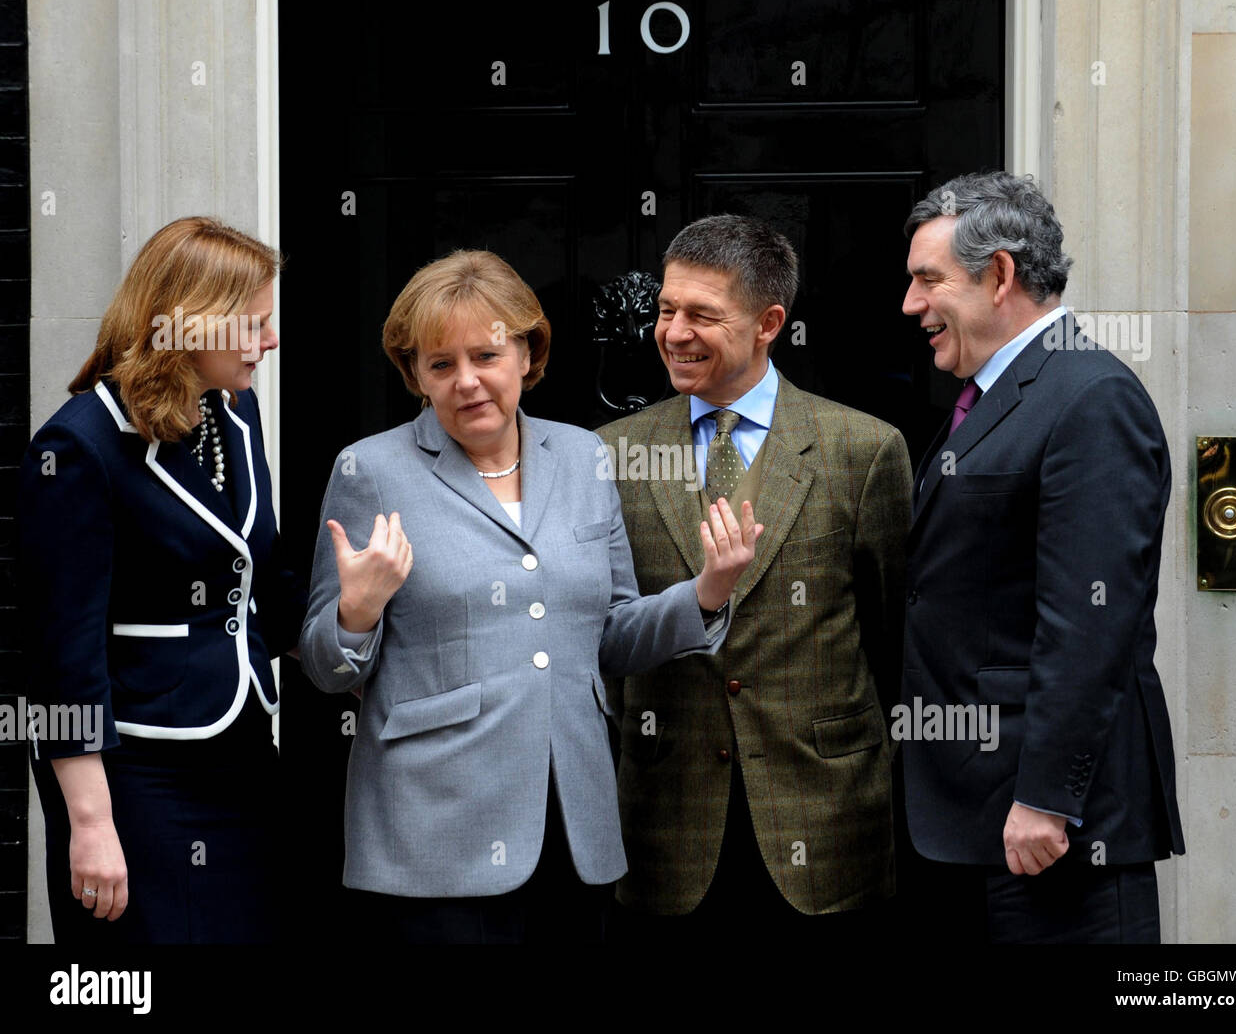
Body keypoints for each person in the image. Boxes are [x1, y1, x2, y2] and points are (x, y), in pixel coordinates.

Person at [297, 249, 759, 944]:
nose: (467, 381)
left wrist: (706, 591)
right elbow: (326, 670)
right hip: (437, 835)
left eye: (485, 355)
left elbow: (611, 636)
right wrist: (355, 613)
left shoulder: (581, 458)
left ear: (526, 352)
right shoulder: (372, 470)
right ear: (415, 374)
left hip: (575, 828)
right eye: (441, 363)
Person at [596, 214, 913, 939]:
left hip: (825, 821)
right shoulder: (611, 454)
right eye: (667, 310)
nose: (673, 332)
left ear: (770, 321)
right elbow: (606, 638)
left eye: (702, 315)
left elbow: (892, 636)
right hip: (665, 825)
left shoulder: (863, 450)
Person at [899, 171, 1185, 943]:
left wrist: (1048, 801)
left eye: (929, 281)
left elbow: (1089, 621)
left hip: (1050, 837)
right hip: (976, 822)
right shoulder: (997, 397)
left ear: (998, 277)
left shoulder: (1091, 399)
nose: (911, 305)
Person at [19, 216, 303, 943]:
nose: (268, 343)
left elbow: (260, 577)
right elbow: (62, 657)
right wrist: (89, 823)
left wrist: (353, 615)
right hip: (136, 779)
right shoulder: (78, 446)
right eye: (253, 326)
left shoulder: (234, 412)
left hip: (240, 758)